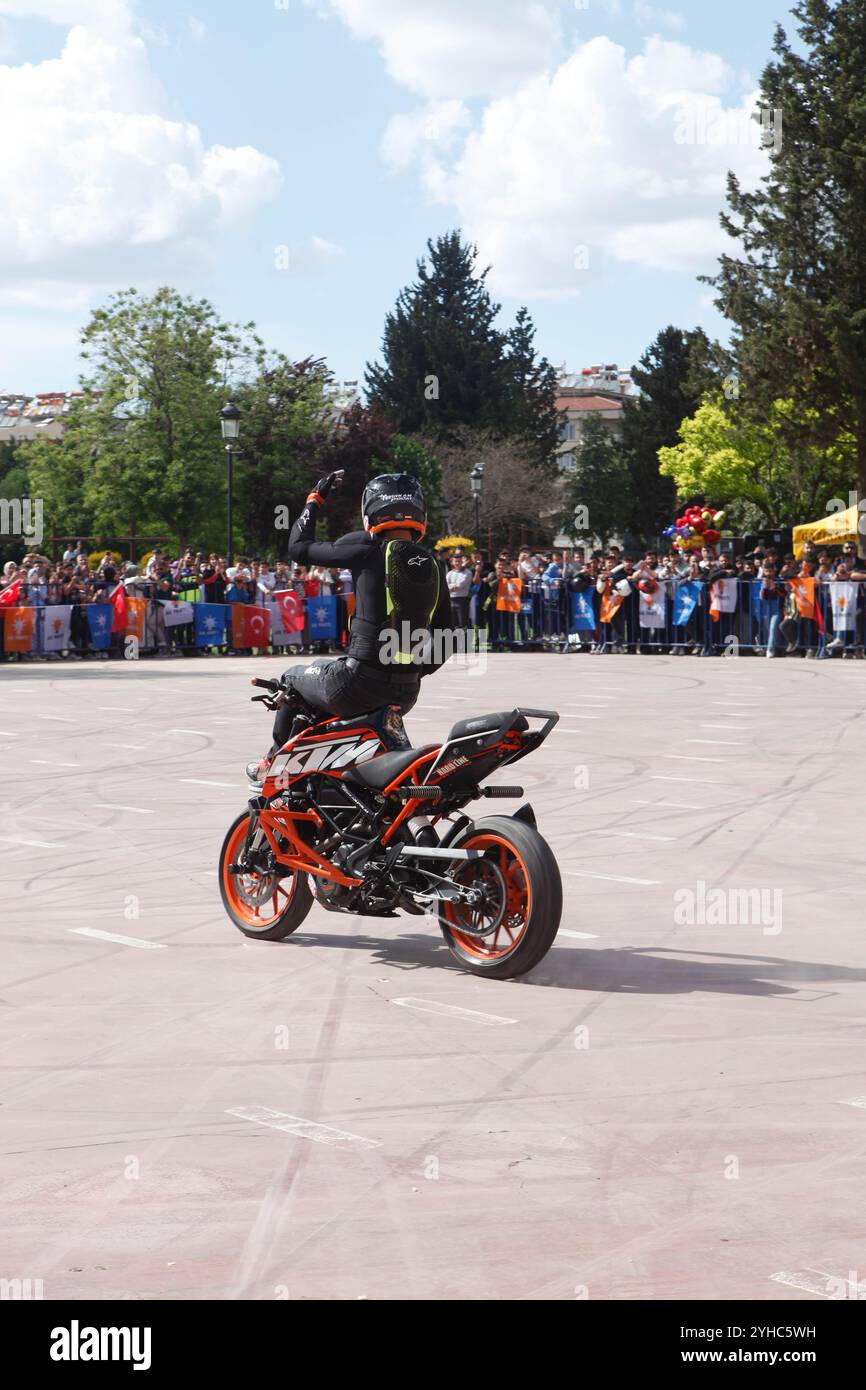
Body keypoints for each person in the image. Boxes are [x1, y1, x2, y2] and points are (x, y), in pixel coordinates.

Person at [247, 470, 454, 782]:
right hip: (406, 692)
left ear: (370, 512)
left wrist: (313, 500)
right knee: (323, 694)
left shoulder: (364, 547)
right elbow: (449, 637)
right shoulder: (434, 565)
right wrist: (411, 669)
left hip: (355, 682)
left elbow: (299, 548)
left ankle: (273, 761)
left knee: (291, 678)